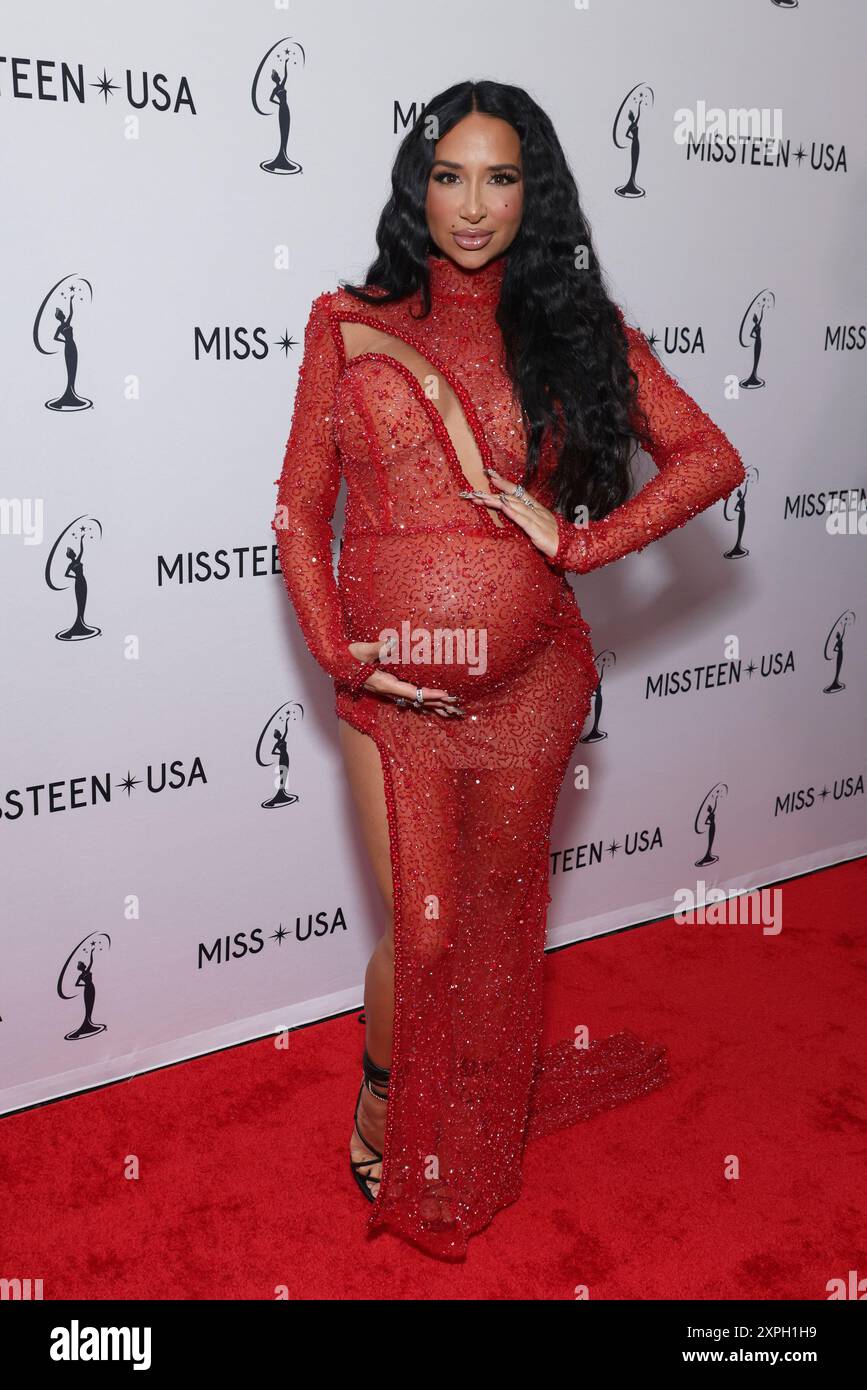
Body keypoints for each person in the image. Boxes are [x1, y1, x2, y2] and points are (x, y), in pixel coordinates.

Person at [271, 80, 746, 1260]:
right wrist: (342, 654)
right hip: (397, 691)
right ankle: (388, 1096)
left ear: (535, 192)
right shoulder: (347, 321)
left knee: (494, 925)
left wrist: (580, 541)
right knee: (427, 934)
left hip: (533, 688)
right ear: (414, 184)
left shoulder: (573, 326)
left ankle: (471, 1111)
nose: (472, 205)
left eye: (500, 177)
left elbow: (708, 456)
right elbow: (298, 513)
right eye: (449, 175)